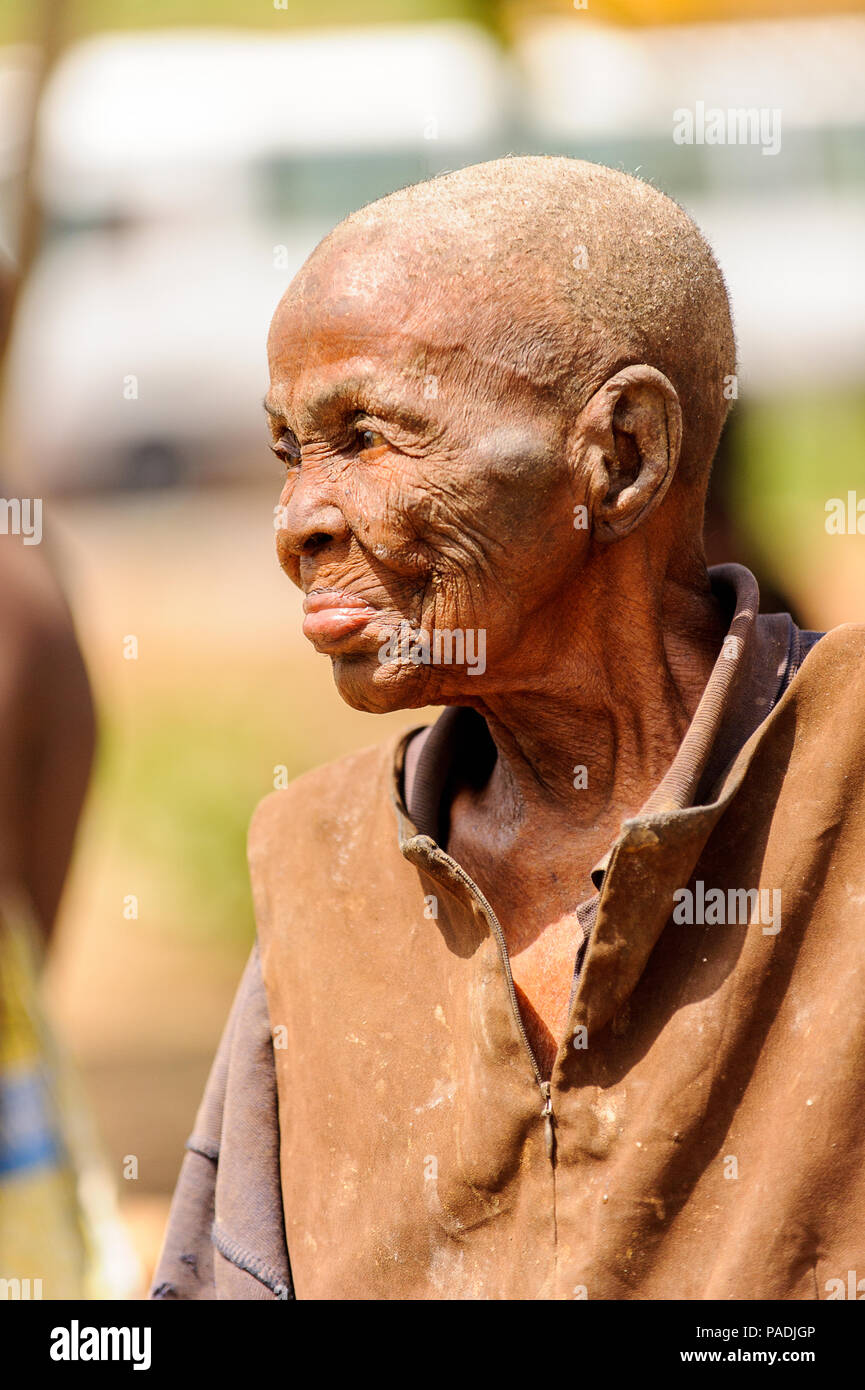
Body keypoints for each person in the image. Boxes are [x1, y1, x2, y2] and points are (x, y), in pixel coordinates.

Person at [152, 156, 859, 1301]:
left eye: (367, 438)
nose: (297, 524)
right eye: (290, 451)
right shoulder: (321, 868)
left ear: (619, 455)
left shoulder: (848, 780)